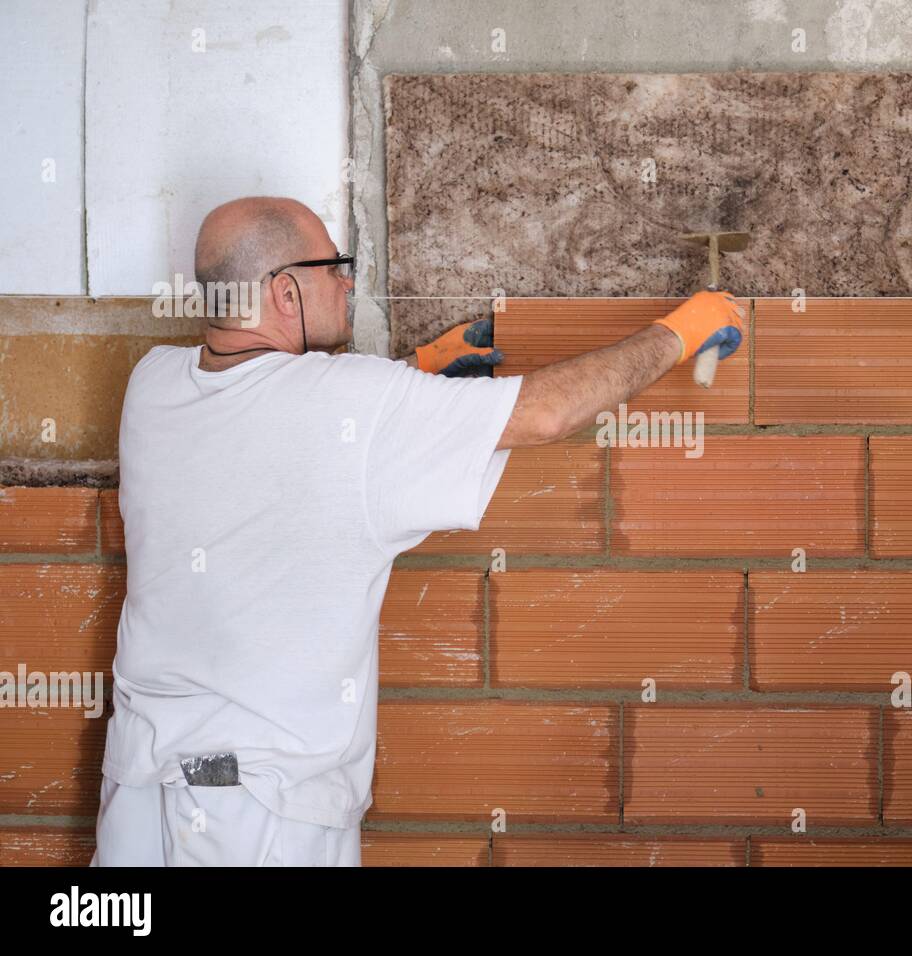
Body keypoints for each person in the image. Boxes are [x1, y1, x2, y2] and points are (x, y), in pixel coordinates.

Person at [89, 196, 743, 866]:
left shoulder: (155, 384)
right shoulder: (354, 400)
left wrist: (416, 379)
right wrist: (681, 331)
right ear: (284, 292)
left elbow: (282, 440)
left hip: (137, 797)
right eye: (332, 268)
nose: (348, 282)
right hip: (260, 819)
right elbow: (545, 415)